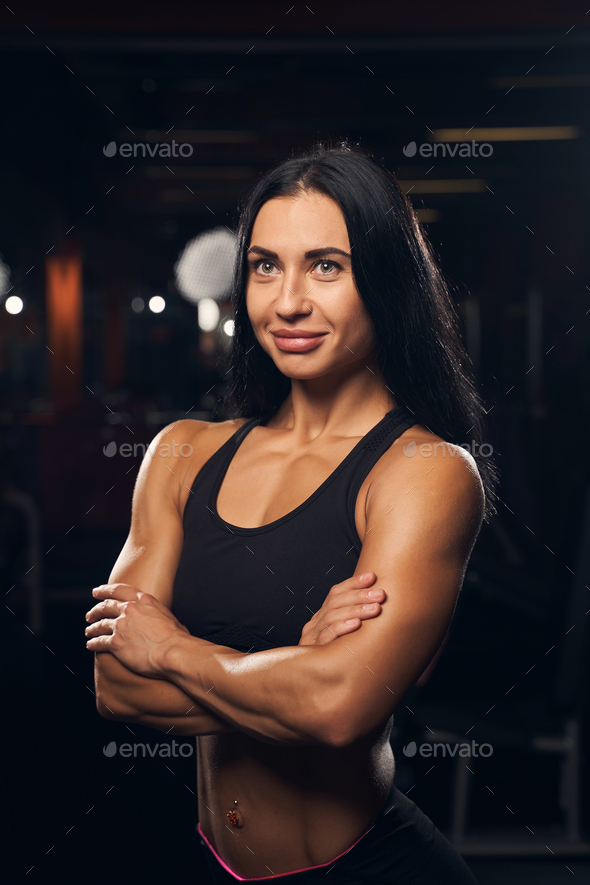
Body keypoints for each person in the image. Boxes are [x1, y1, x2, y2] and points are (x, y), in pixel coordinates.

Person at [85, 140, 497, 883]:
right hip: (214, 864)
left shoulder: (425, 472)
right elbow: (115, 684)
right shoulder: (181, 452)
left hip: (367, 869)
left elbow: (339, 709)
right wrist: (294, 672)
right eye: (265, 265)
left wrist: (174, 649)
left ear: (386, 280)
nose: (288, 302)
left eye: (326, 266)